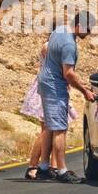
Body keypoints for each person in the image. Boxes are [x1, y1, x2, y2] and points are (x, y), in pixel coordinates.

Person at [35, 11, 97, 183]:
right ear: (80, 26)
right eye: (88, 29)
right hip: (55, 87)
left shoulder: (59, 30)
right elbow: (68, 73)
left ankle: (44, 167)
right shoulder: (69, 44)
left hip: (45, 82)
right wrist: (85, 91)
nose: (89, 33)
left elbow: (49, 54)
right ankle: (62, 170)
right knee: (60, 129)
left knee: (49, 127)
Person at [22, 32, 79, 179]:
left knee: (53, 127)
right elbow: (56, 68)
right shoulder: (48, 47)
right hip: (50, 87)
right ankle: (33, 165)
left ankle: (52, 166)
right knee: (47, 128)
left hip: (53, 85)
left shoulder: (52, 46)